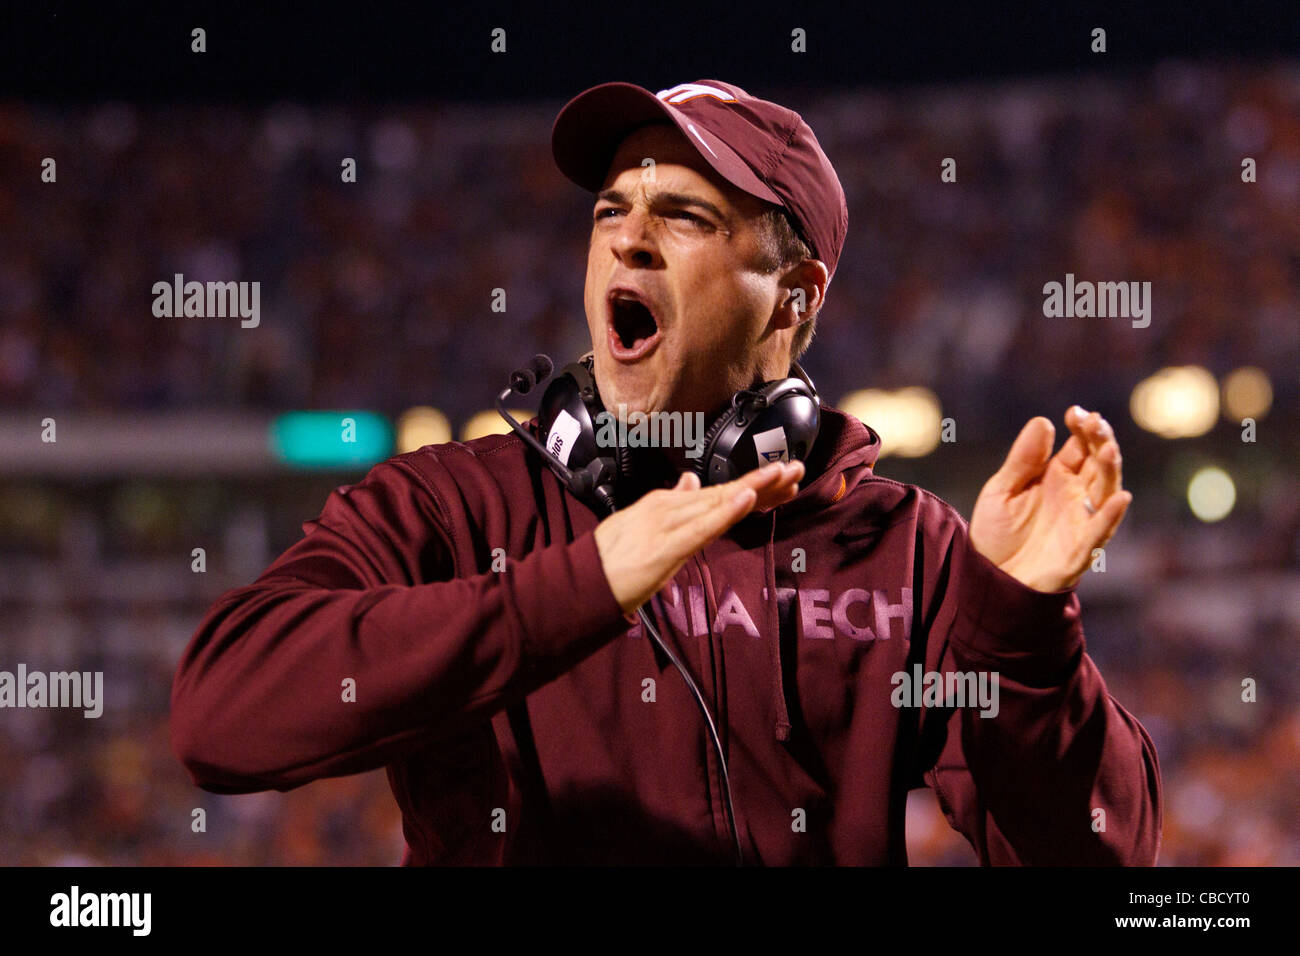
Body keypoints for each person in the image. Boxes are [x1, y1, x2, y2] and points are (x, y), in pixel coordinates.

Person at [171, 78, 1162, 865]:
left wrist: (1021, 642)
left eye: (683, 215)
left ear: (791, 296)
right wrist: (574, 585)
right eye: (610, 208)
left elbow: (1100, 856)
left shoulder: (900, 551)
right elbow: (221, 713)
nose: (626, 237)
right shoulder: (454, 505)